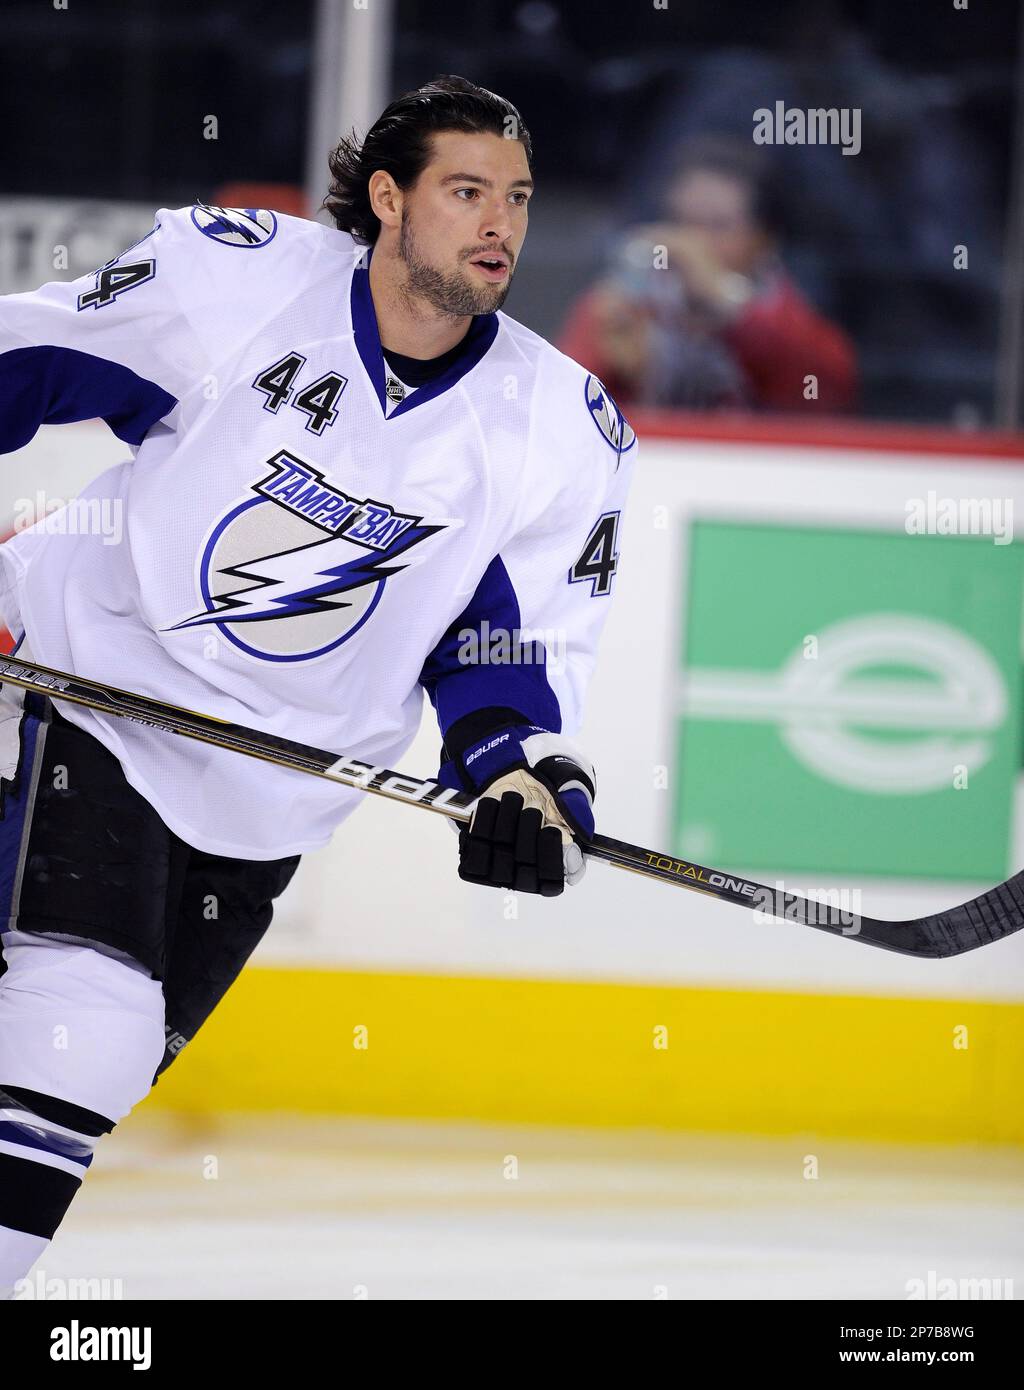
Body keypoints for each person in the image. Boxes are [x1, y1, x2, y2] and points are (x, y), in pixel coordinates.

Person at [0, 74, 636, 1295]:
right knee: (78, 1036)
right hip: (80, 686)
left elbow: (497, 643)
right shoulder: (236, 285)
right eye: (465, 191)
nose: (499, 221)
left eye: (516, 197)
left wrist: (521, 774)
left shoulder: (556, 425)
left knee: (72, 1090)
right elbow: (29, 362)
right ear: (386, 198)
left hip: (259, 810)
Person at [558, 138, 857, 413]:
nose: (693, 243)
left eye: (718, 226)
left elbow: (828, 392)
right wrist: (619, 376)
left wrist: (728, 301)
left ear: (764, 239)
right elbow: (567, 405)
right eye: (682, 222)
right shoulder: (630, 304)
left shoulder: (784, 313)